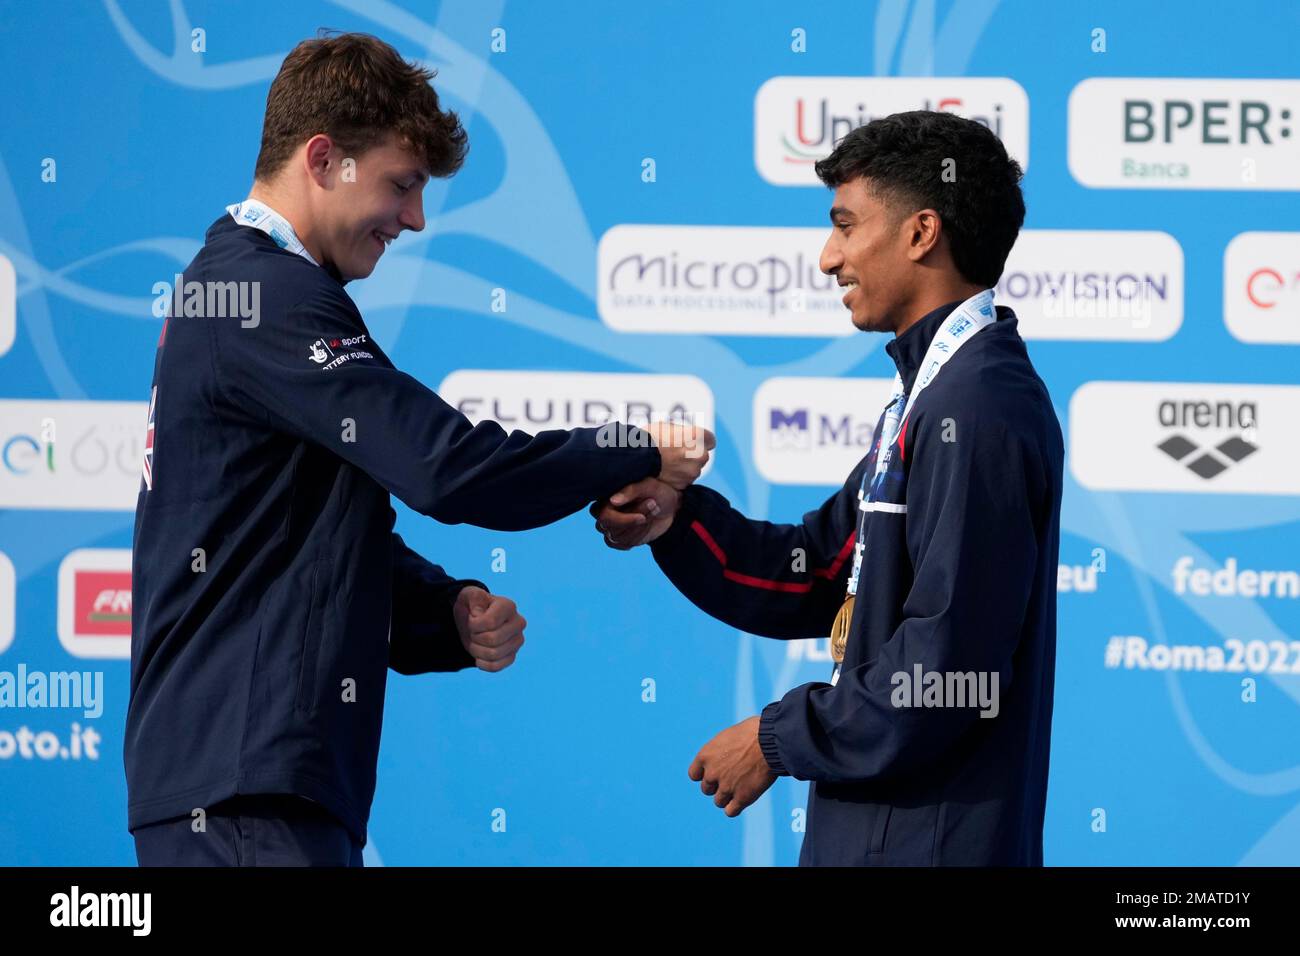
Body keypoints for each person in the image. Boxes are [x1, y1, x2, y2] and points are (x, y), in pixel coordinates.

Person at [126, 31, 712, 867]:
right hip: (243, 793)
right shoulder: (264, 295)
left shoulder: (247, 287)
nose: (415, 217)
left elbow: (294, 534)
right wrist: (632, 447)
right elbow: (447, 468)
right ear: (323, 159)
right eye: (402, 185)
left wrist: (445, 615)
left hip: (247, 784)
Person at [593, 110, 1063, 866]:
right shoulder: (930, 396)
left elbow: (950, 670)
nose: (826, 257)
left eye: (846, 225)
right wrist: (673, 520)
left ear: (920, 233)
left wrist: (778, 739)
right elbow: (814, 572)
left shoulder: (979, 405)